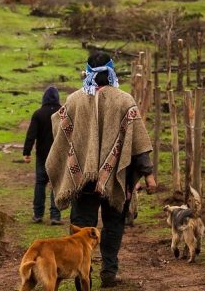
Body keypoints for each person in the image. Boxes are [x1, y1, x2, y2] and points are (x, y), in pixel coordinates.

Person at [46, 51, 156, 288]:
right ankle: (109, 271)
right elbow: (139, 143)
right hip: (116, 178)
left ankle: (80, 275)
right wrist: (148, 175)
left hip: (82, 180)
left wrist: (81, 154)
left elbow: (59, 128)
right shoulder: (124, 100)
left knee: (81, 228)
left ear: (88, 72)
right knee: (114, 223)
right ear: (111, 71)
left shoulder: (74, 100)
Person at [23, 86, 63, 226]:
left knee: (40, 183)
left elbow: (31, 135)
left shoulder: (38, 114)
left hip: (42, 155)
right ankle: (55, 216)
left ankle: (38, 214)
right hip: (59, 154)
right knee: (56, 184)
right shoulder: (63, 113)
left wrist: (26, 153)